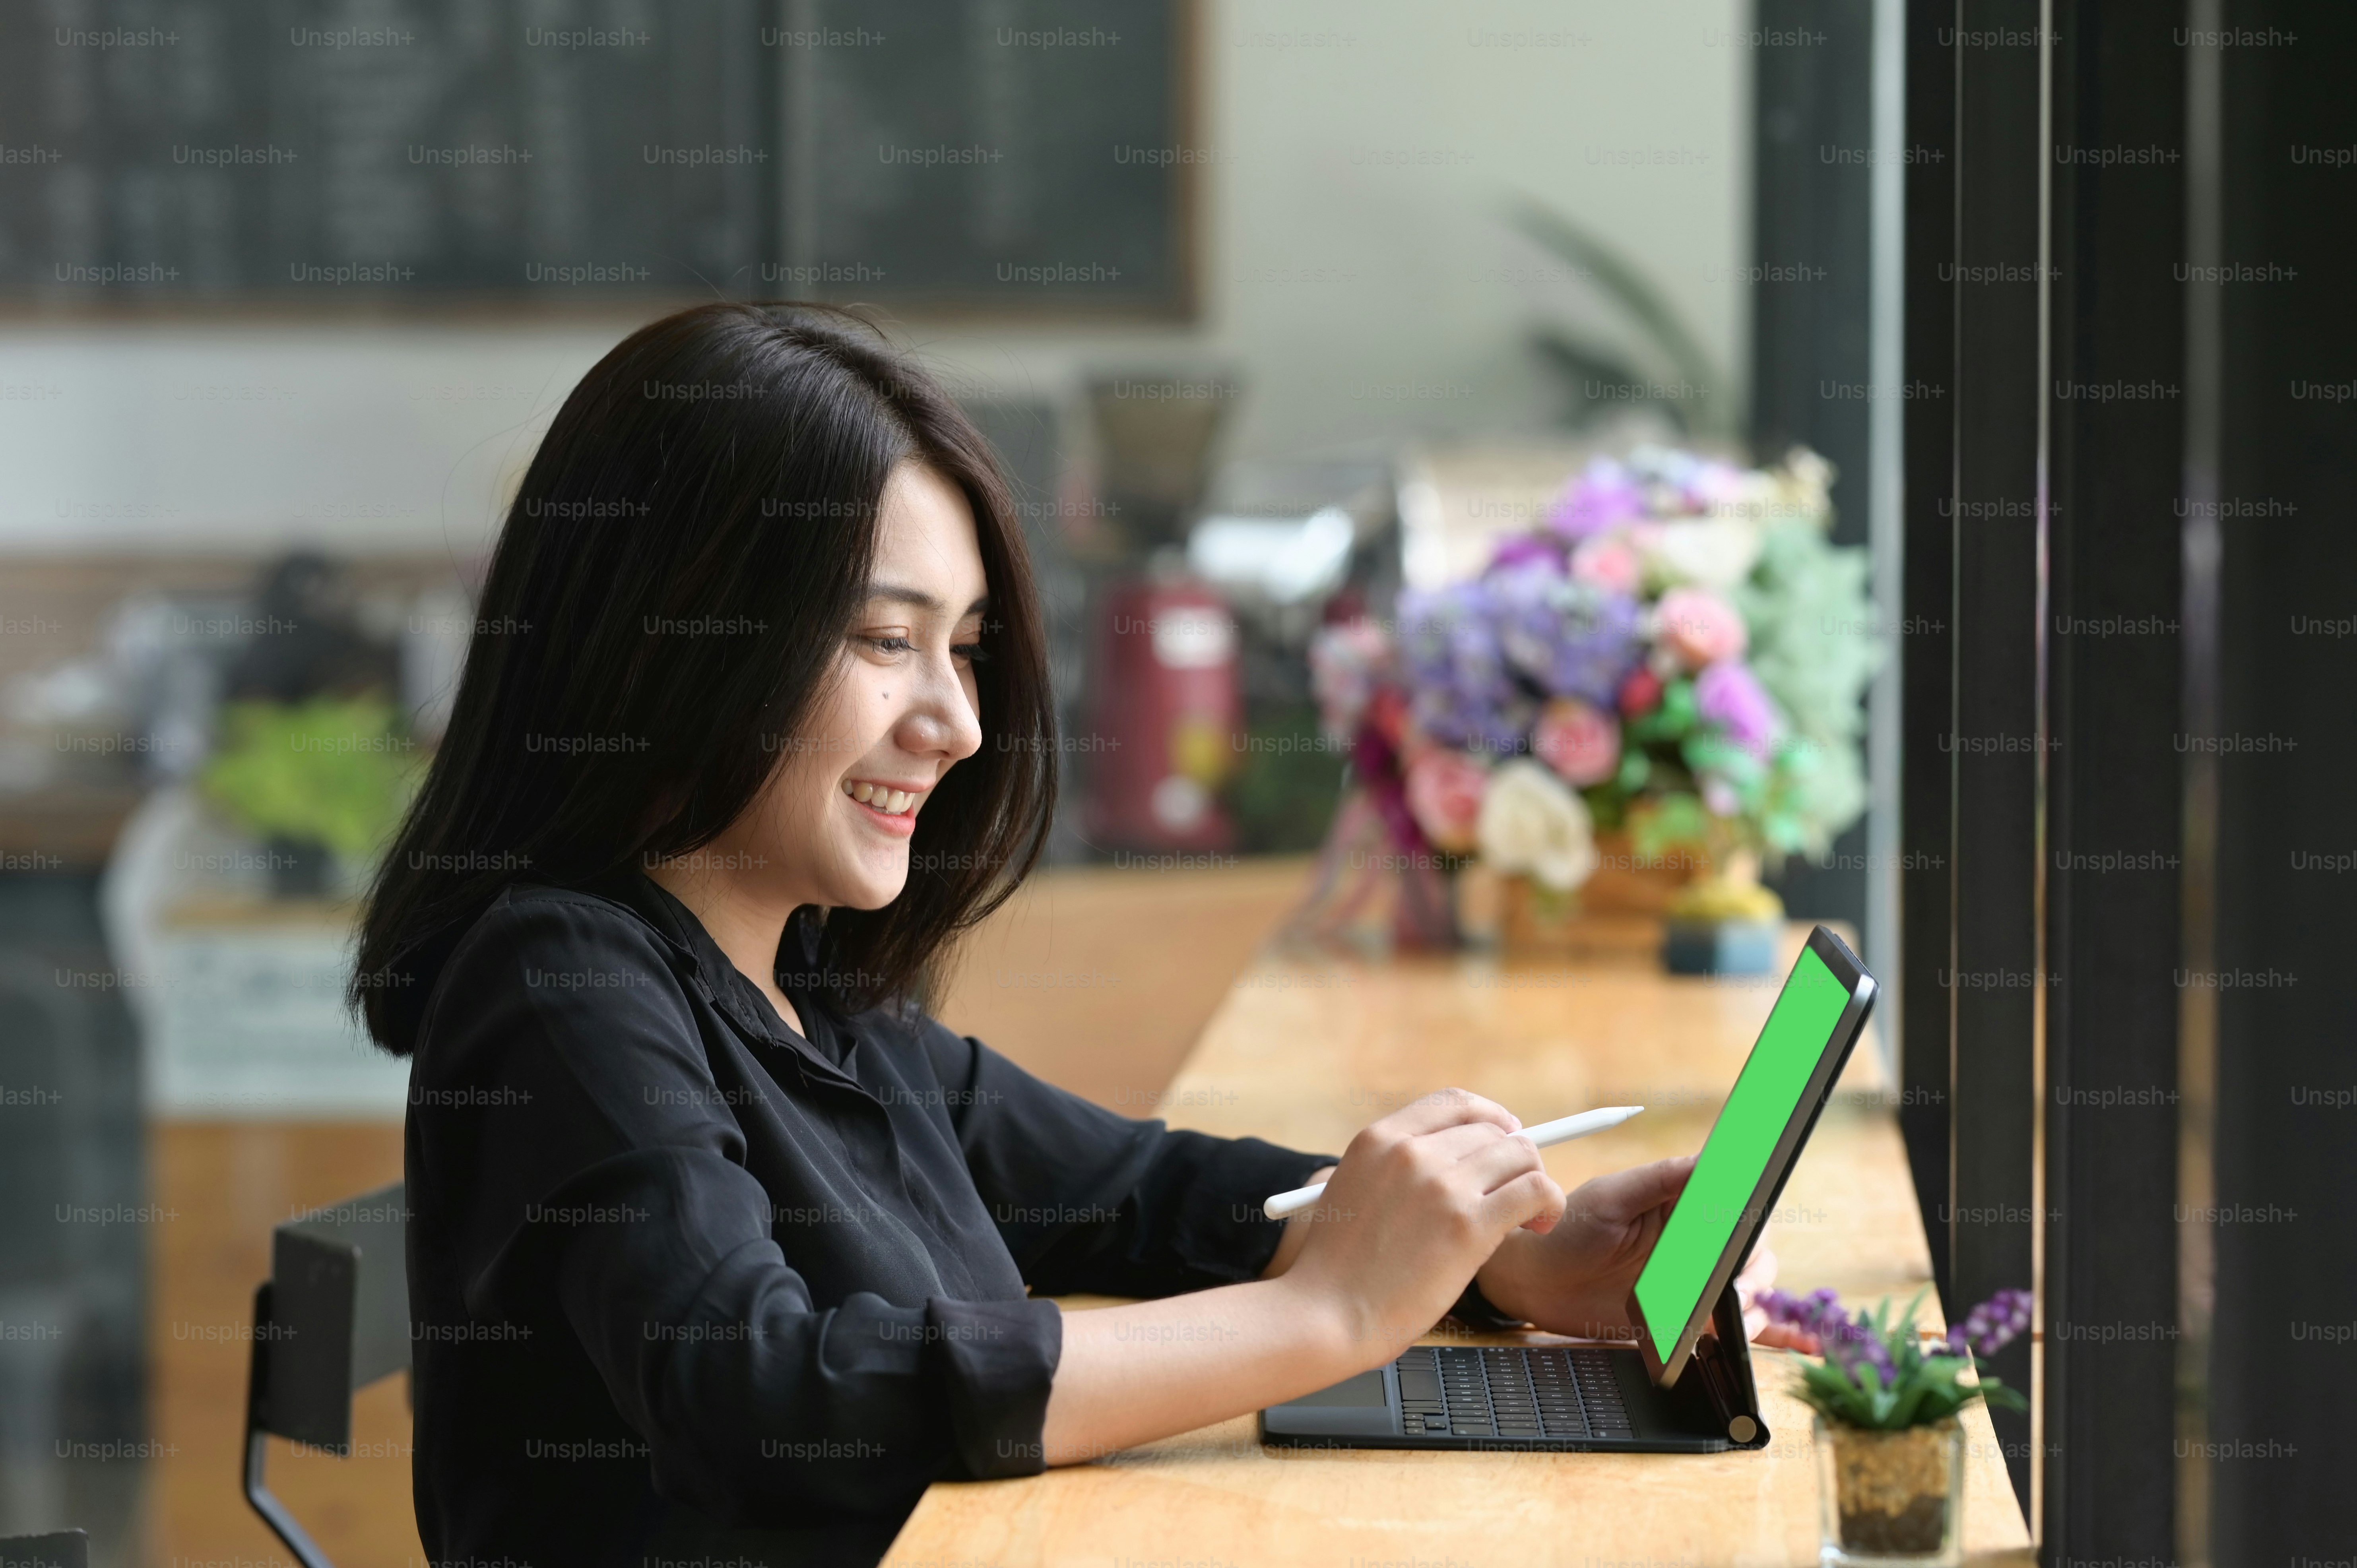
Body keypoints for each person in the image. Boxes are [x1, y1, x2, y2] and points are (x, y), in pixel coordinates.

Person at [355, 302, 1784, 1568]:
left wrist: (1488, 1252)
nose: (957, 723)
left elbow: (1138, 1189)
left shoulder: (811, 994)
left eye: (966, 648)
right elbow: (763, 1397)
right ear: (677, 635)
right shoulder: (557, 985)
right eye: (885, 639)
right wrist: (1325, 1319)